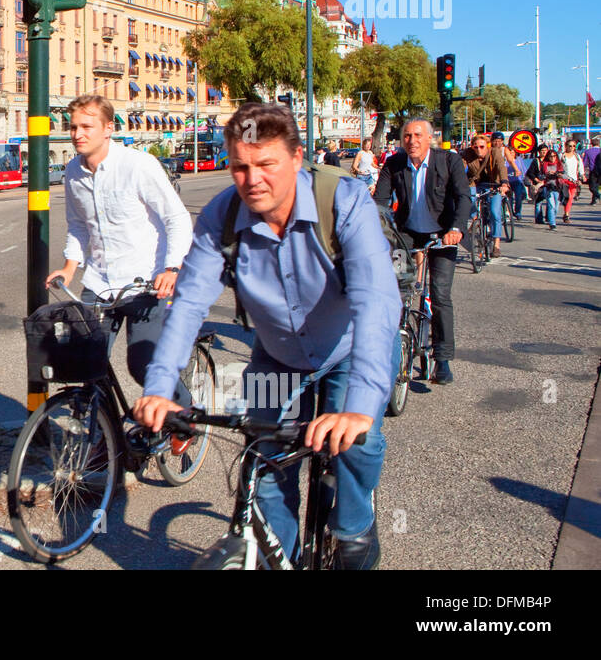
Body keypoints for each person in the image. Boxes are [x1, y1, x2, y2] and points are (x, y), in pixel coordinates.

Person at [133, 102, 400, 569]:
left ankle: (355, 523)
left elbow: (376, 303)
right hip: (277, 357)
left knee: (360, 441)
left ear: (297, 159)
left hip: (349, 349)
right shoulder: (222, 216)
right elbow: (191, 304)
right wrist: (159, 388)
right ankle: (282, 556)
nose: (252, 178)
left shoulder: (343, 201)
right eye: (240, 166)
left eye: (266, 164)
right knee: (265, 458)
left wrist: (358, 410)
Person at [47, 93, 192, 387]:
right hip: (100, 284)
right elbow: (78, 225)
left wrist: (172, 268)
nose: (78, 134)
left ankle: (182, 420)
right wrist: (69, 268)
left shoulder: (138, 165)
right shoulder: (73, 172)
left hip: (145, 284)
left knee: (143, 368)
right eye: (73, 127)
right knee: (85, 364)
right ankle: (99, 430)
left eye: (87, 127)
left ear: (108, 129)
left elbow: (176, 218)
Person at [373, 119, 470, 385]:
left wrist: (456, 228)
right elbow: (380, 202)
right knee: (394, 290)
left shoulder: (448, 161)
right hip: (407, 234)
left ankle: (443, 359)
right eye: (406, 136)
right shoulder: (394, 163)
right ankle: (390, 346)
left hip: (442, 234)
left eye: (417, 135)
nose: (412, 141)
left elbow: (463, 197)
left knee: (439, 294)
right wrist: (379, 230)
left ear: (430, 138)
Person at [462, 134, 509, 257]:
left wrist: (504, 182)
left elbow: (501, 167)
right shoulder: (468, 153)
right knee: (470, 201)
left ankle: (496, 244)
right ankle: (475, 222)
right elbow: (461, 168)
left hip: (494, 184)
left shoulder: (495, 152)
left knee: (494, 212)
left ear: (487, 146)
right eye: (475, 147)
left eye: (482, 147)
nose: (478, 150)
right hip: (475, 184)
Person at [526, 148, 565, 230]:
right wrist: (546, 175)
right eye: (551, 156)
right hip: (548, 187)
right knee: (551, 206)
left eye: (554, 156)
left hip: (557, 187)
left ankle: (551, 218)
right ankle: (552, 223)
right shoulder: (545, 165)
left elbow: (563, 174)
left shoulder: (559, 164)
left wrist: (558, 174)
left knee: (556, 207)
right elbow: (541, 176)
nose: (553, 158)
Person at [561, 140, 584, 223]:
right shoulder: (562, 156)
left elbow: (581, 167)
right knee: (566, 197)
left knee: (570, 198)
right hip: (564, 179)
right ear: (566, 146)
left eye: (574, 146)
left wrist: (582, 176)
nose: (572, 148)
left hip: (574, 180)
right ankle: (565, 213)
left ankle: (566, 214)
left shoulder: (577, 156)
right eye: (570, 146)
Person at [583, 135, 601, 205]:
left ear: (591, 144)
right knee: (596, 186)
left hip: (593, 170)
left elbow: (585, 162)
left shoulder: (588, 151)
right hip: (600, 171)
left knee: (592, 186)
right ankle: (594, 200)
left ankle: (598, 196)